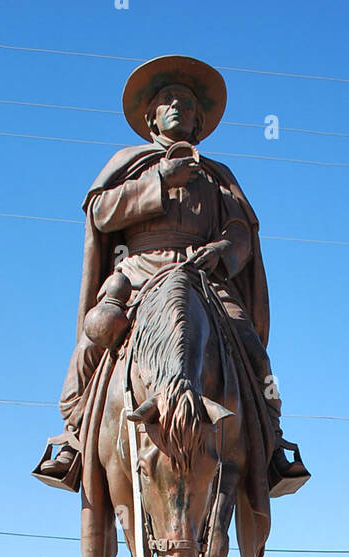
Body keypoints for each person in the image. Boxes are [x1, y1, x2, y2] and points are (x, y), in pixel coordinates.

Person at [35, 54, 308, 508]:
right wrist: (159, 180)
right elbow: (101, 214)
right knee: (96, 334)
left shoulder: (219, 177)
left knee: (250, 345)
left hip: (203, 277)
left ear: (200, 121)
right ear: (151, 116)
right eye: (167, 99)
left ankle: (273, 442)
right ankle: (74, 435)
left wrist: (224, 250)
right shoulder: (130, 163)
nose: (177, 105)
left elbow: (242, 231)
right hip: (137, 271)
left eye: (186, 101)